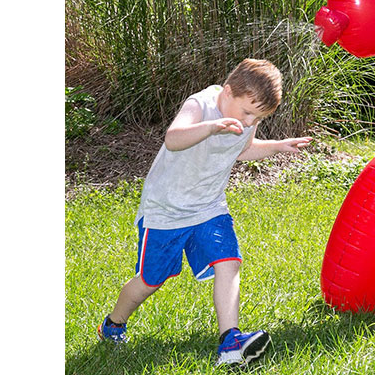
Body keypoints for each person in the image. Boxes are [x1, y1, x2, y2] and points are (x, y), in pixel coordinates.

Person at [96, 58, 312, 366]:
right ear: (227, 92)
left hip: (209, 207)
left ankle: (230, 341)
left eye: (257, 117)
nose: (250, 122)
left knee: (229, 262)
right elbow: (173, 138)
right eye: (247, 113)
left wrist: (276, 146)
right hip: (166, 211)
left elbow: (243, 150)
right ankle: (113, 324)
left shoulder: (246, 117)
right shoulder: (201, 104)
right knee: (150, 280)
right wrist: (211, 127)